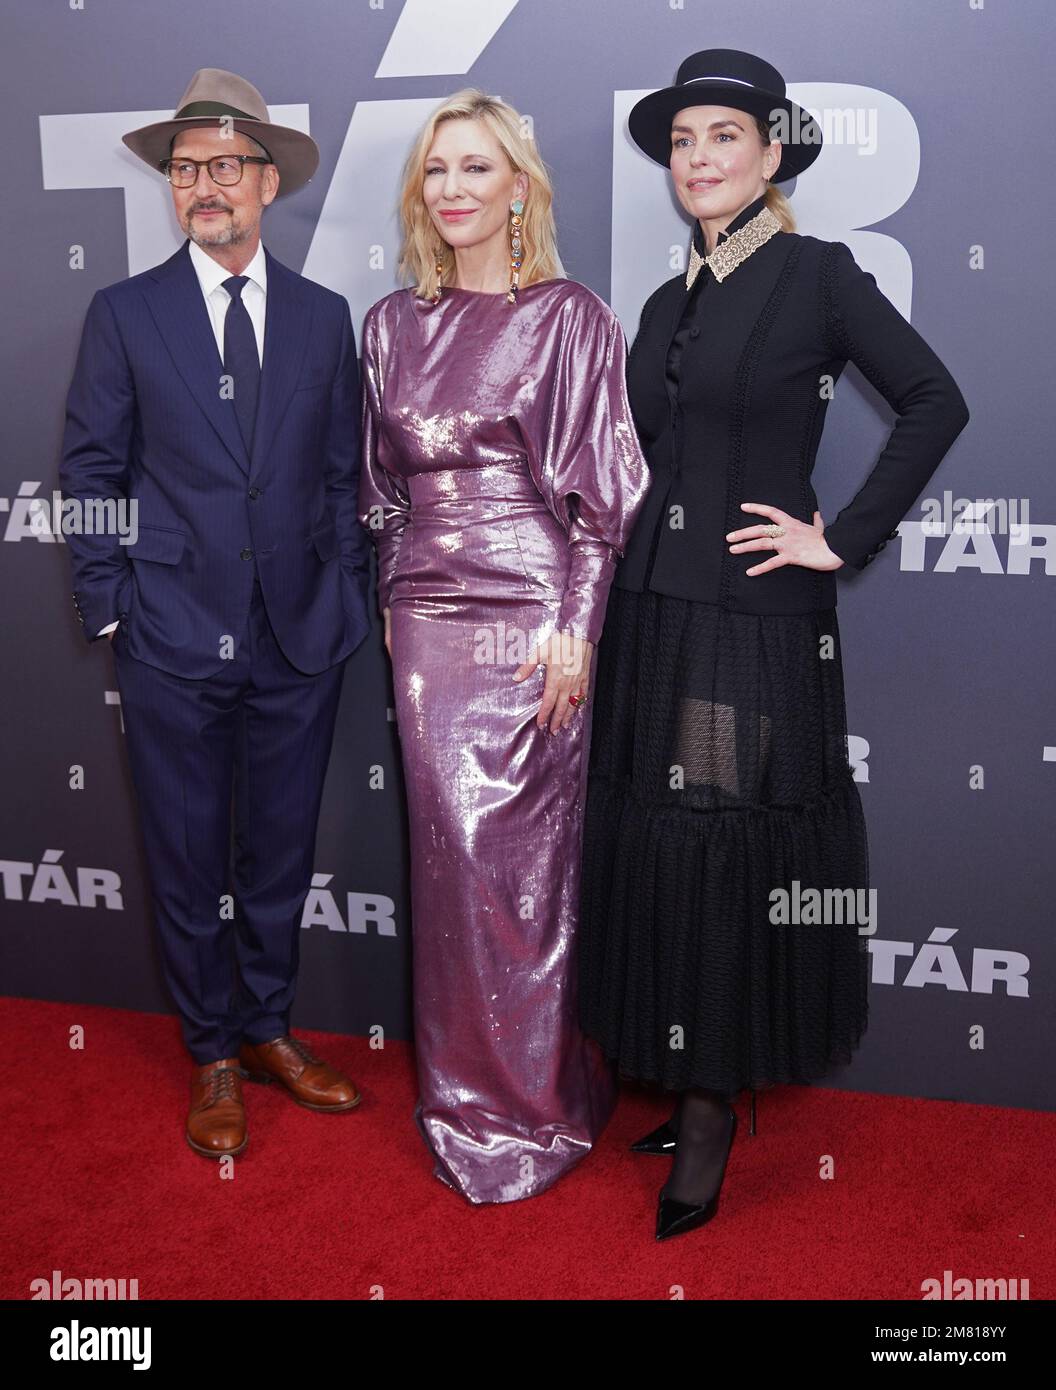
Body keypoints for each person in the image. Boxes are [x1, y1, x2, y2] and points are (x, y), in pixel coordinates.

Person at [577, 49, 970, 1240]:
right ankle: (695, 1070)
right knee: (664, 846)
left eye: (724, 138)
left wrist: (839, 537)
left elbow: (934, 398)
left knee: (721, 854)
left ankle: (708, 1111)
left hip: (750, 629)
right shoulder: (661, 300)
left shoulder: (816, 274)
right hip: (655, 616)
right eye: (684, 141)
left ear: (771, 153)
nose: (699, 159)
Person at [60, 69, 370, 1160]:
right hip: (170, 639)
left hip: (300, 638)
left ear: (267, 180)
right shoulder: (125, 313)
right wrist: (111, 609)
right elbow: (92, 470)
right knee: (189, 858)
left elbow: (343, 475)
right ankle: (213, 1054)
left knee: (279, 853)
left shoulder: (329, 319)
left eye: (225, 166)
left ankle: (271, 1028)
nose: (204, 185)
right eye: (186, 168)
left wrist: (345, 595)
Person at [357, 89, 649, 1204]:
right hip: (428, 624)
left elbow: (601, 501)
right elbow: (379, 493)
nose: (456, 190)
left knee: (524, 870)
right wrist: (393, 599)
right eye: (438, 172)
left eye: (478, 169)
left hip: (535, 609)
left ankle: (541, 1099)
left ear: (520, 187)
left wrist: (576, 628)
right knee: (448, 866)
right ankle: (461, 1094)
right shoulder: (390, 326)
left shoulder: (569, 317)